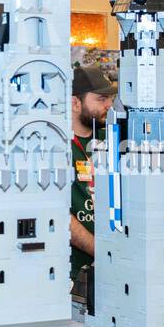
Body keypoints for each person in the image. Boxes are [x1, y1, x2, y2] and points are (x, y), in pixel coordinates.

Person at [69, 66, 115, 287]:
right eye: (101, 99)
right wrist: (101, 250)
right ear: (74, 103)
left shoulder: (115, 141)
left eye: (110, 99)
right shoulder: (53, 145)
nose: (109, 105)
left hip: (116, 265)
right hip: (72, 272)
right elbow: (57, 215)